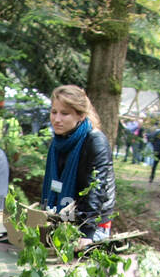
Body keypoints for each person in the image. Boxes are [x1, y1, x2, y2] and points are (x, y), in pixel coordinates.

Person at [40, 84, 116, 245]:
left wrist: (87, 232)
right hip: (63, 216)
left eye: (65, 114)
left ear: (80, 115)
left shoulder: (95, 141)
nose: (57, 119)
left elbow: (97, 188)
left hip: (92, 223)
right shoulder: (58, 142)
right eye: (54, 112)